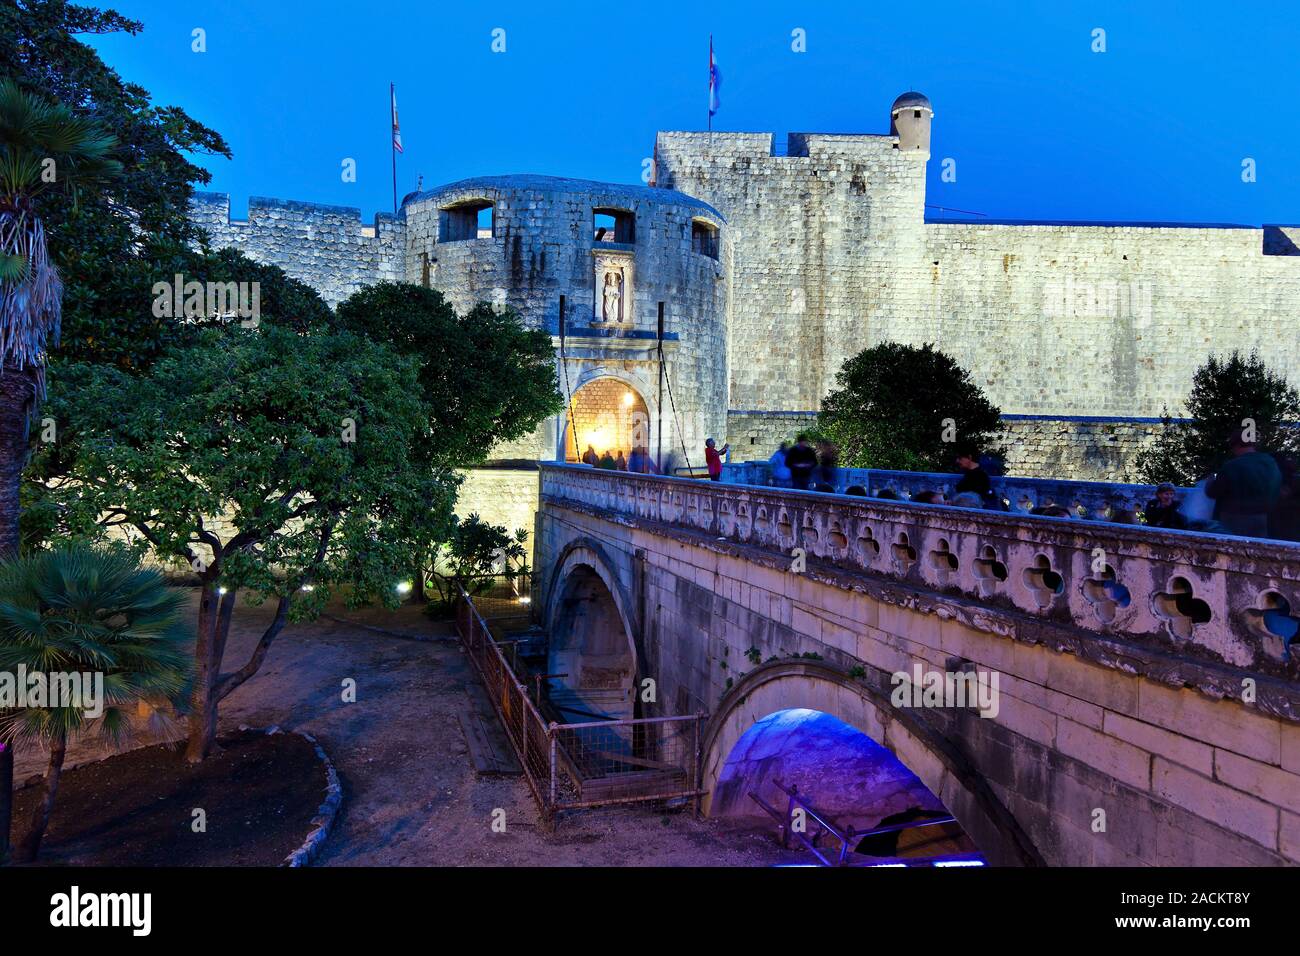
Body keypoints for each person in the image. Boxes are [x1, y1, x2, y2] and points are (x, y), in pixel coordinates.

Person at [1207, 432, 1282, 537]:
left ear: (1236, 445)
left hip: (1234, 519)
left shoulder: (1232, 466)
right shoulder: (1270, 463)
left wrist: (1209, 482)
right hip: (1264, 518)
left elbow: (1213, 492)